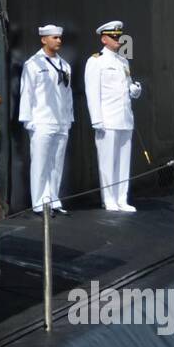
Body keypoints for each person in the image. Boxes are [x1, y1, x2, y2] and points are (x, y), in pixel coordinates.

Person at [84, 19, 143, 212]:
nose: (118, 39)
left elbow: (127, 87)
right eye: (114, 37)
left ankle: (121, 198)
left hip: (125, 118)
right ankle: (108, 198)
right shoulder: (95, 61)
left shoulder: (123, 61)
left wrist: (134, 90)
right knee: (108, 161)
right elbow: (92, 93)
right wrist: (97, 120)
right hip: (107, 120)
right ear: (104, 39)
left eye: (119, 36)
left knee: (123, 161)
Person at [18, 24, 73, 214]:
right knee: (40, 164)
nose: (58, 40)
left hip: (61, 121)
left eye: (59, 37)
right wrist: (28, 121)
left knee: (56, 164)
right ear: (44, 39)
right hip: (41, 120)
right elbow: (27, 93)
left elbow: (68, 95)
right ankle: (39, 202)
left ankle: (53, 199)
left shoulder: (65, 65)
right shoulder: (32, 64)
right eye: (54, 37)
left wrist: (69, 119)